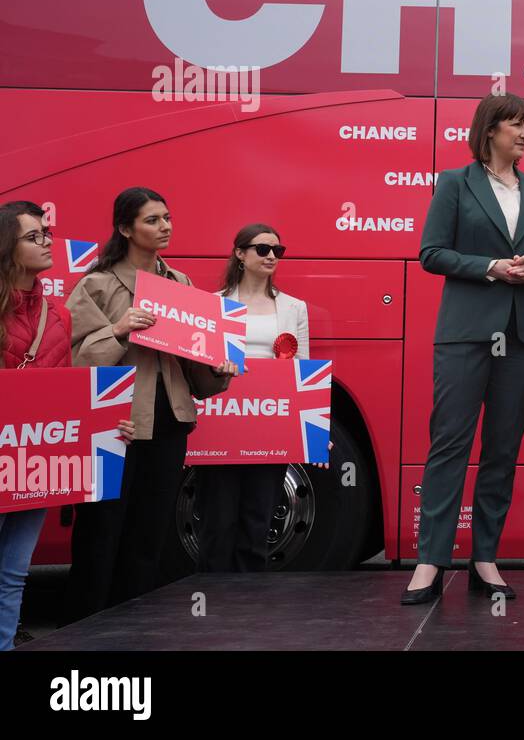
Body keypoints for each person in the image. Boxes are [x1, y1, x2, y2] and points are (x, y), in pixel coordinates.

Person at [403, 93, 524, 605]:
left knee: (502, 448)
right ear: (490, 129)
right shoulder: (455, 183)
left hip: (523, 333)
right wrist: (491, 267)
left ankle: (484, 558)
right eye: (517, 124)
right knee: (449, 442)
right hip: (466, 332)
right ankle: (430, 560)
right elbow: (431, 253)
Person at [61, 188, 236, 624]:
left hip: (170, 421)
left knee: (150, 530)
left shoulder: (181, 285)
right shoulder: (96, 284)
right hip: (113, 424)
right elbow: (73, 360)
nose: (165, 227)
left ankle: (134, 621)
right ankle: (88, 622)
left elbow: (198, 377)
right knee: (101, 529)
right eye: (152, 220)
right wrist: (119, 330)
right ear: (125, 228)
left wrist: (218, 366)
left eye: (167, 217)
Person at [1, 202, 92, 649]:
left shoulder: (60, 315)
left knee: (15, 574)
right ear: (7, 247)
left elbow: (66, 394)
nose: (45, 242)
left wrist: (100, 428)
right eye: (33, 236)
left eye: (46, 233)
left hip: (35, 463)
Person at [193, 224, 310, 573]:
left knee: (258, 521)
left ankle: (248, 607)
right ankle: (211, 602)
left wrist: (310, 430)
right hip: (221, 424)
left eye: (278, 250)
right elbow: (199, 366)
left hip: (269, 426)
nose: (272, 255)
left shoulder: (294, 308)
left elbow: (301, 371)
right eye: (262, 249)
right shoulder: (213, 304)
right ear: (240, 254)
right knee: (218, 521)